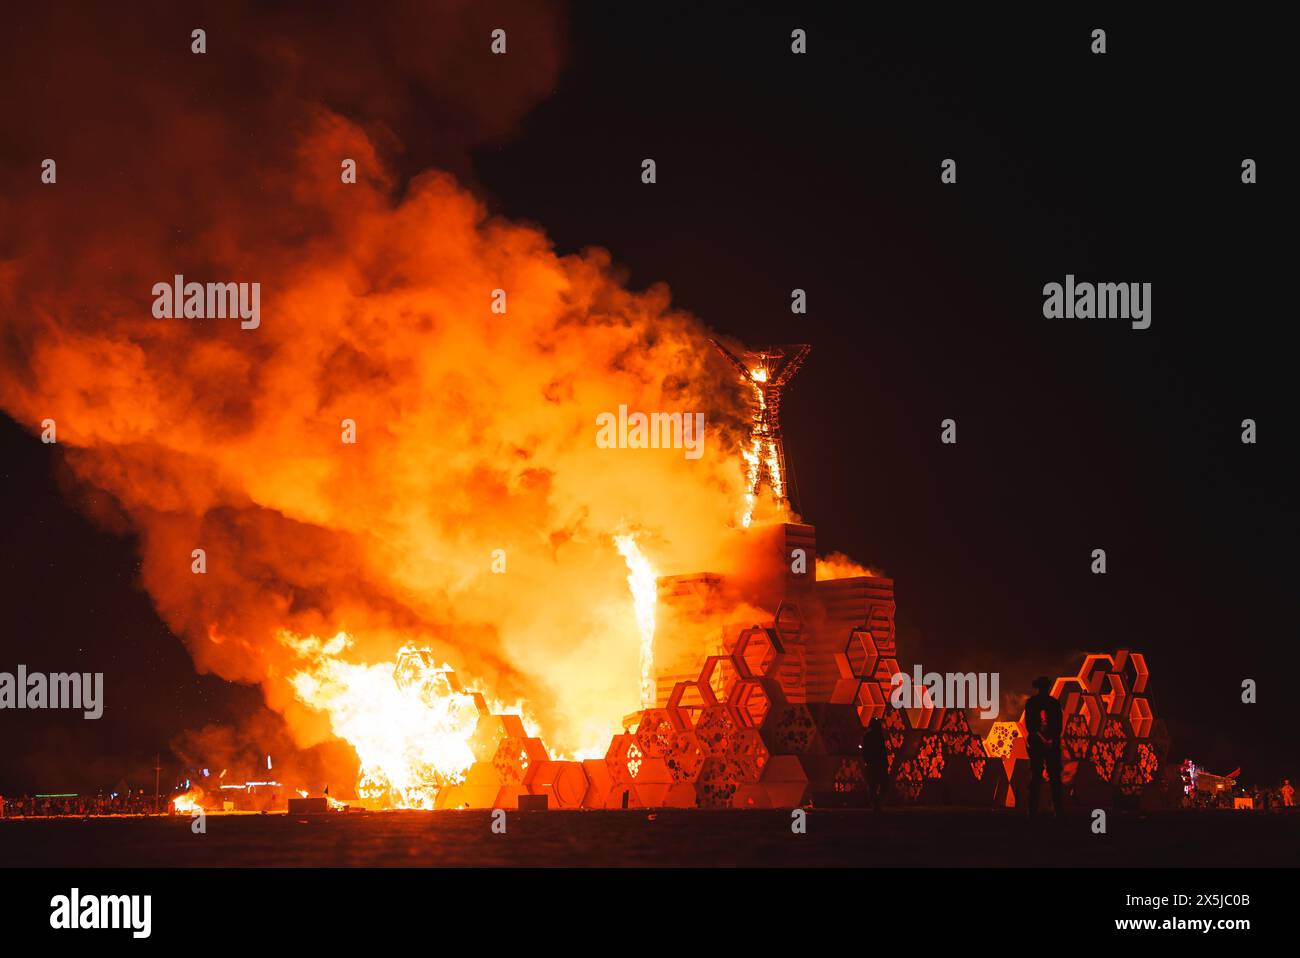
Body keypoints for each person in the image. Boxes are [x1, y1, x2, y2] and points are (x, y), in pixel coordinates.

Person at [1024, 676, 1064, 818]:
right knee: (1052, 777)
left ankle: (1033, 810)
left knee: (1038, 776)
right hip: (1046, 744)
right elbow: (1058, 725)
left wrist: (1045, 739)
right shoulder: (1053, 703)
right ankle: (1057, 811)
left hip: (1038, 744)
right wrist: (1050, 740)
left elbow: (1030, 726)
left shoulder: (1031, 703)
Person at [861, 716, 889, 811]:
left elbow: (865, 751)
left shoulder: (868, 736)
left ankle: (876, 803)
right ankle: (877, 804)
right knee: (880, 785)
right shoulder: (878, 736)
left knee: (873, 786)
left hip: (873, 765)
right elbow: (882, 751)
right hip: (877, 765)